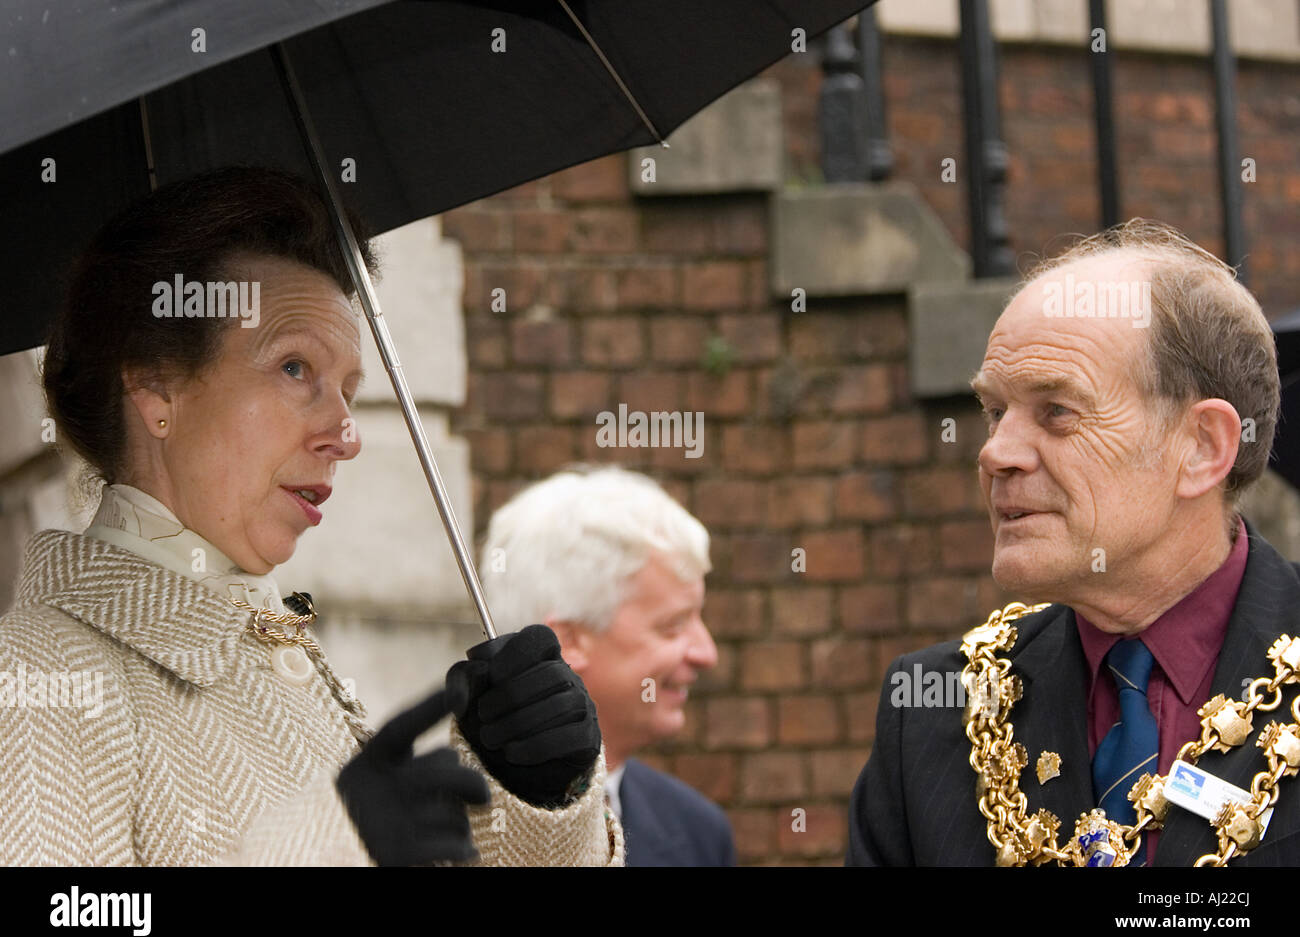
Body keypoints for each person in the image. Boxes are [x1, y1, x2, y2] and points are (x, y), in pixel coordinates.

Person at [0, 166, 621, 866]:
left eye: (350, 390)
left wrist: (529, 799)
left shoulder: (275, 647)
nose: (347, 433)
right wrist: (336, 845)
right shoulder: (37, 675)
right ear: (154, 386)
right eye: (295, 368)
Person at [848, 219, 1300, 867]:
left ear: (1202, 448)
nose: (996, 453)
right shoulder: (935, 708)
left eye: (1057, 411)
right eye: (994, 412)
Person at [481, 466, 736, 865]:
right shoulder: (440, 831)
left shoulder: (699, 832)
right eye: (673, 625)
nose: (707, 652)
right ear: (566, 642)